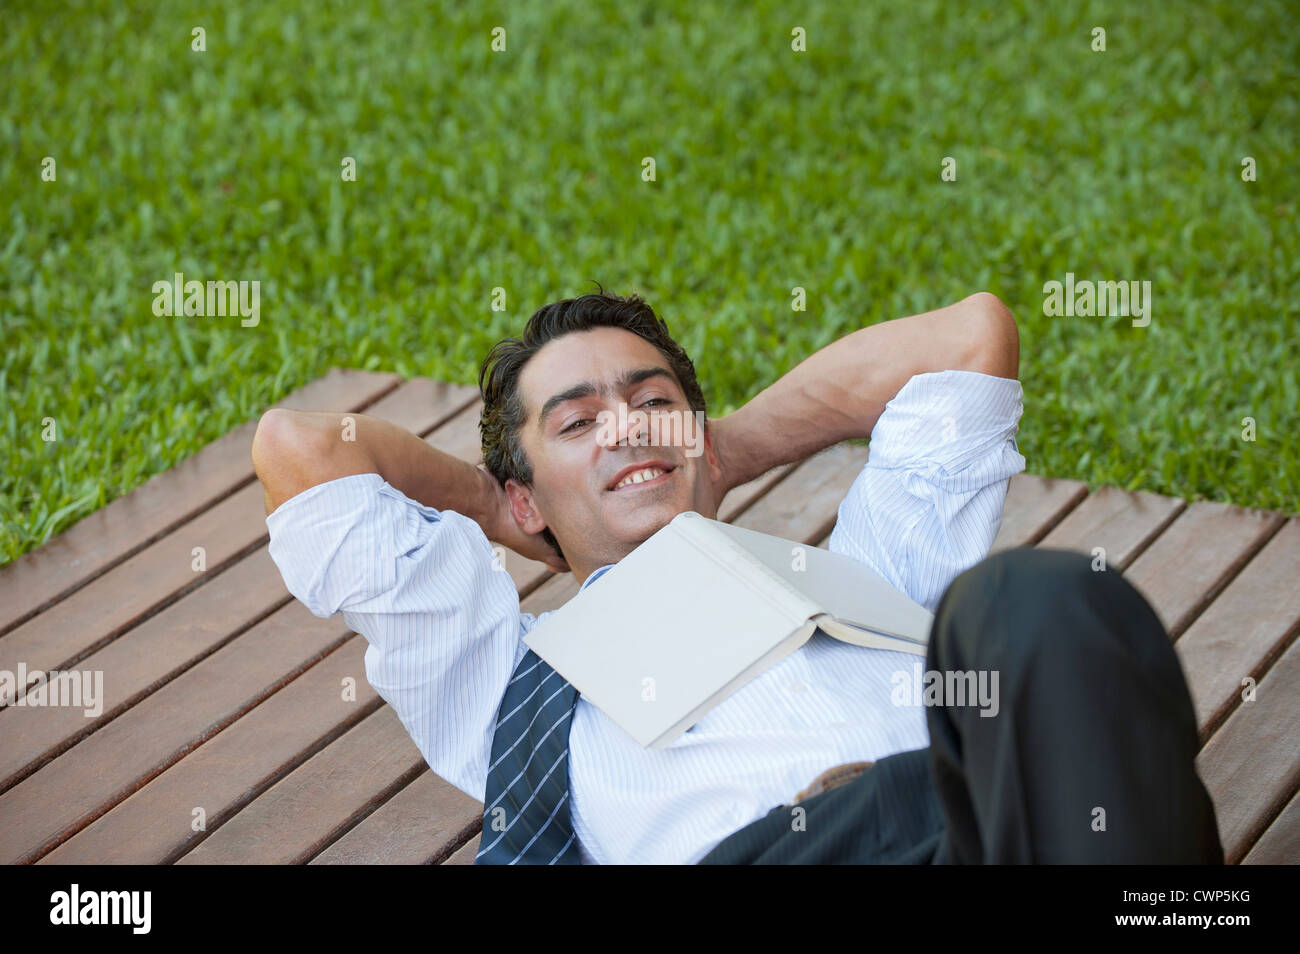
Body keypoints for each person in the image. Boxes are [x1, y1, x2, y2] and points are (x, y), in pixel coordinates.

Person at [251, 286, 1222, 864]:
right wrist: (504, 511)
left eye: (653, 402)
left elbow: (969, 337)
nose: (628, 426)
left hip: (975, 830)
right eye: (577, 422)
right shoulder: (505, 673)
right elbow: (301, 449)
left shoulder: (862, 571)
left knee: (1036, 598)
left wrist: (720, 451)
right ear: (525, 496)